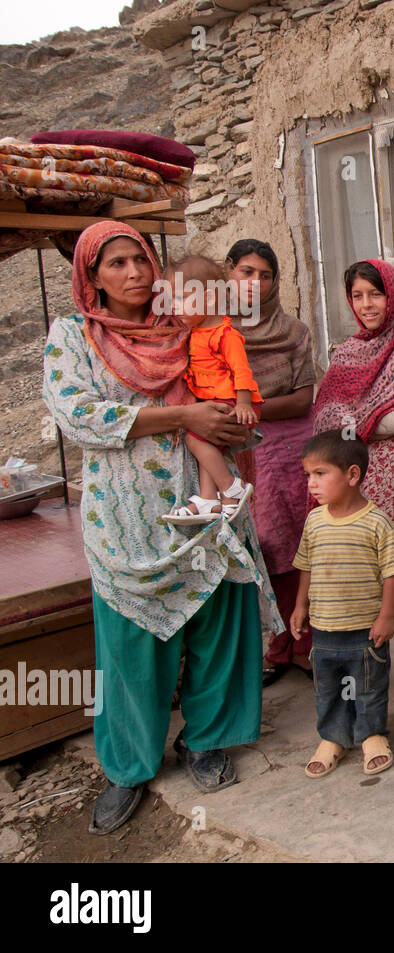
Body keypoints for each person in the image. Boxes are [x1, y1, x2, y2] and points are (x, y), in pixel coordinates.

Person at [42, 221, 280, 835]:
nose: (135, 273)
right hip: (126, 520)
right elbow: (82, 415)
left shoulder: (186, 324)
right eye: (116, 264)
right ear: (91, 277)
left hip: (206, 507)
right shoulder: (74, 337)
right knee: (130, 648)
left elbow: (231, 385)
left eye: (141, 259)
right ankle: (127, 766)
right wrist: (180, 414)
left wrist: (228, 423)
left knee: (218, 625)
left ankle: (206, 740)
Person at [312, 259, 394, 708]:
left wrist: (348, 418)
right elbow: (323, 417)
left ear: (393, 296)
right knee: (357, 583)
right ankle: (365, 671)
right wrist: (361, 418)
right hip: (354, 490)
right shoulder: (345, 355)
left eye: (376, 294)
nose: (367, 304)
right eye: (357, 296)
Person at [221, 239, 318, 687]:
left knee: (302, 545)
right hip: (239, 450)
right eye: (246, 271)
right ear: (228, 274)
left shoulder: (294, 332)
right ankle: (278, 645)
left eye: (265, 274)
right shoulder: (215, 332)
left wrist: (248, 409)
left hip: (291, 449)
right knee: (264, 547)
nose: (255, 282)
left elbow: (303, 398)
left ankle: (307, 645)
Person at [289, 430, 394, 777]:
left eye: (320, 473)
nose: (311, 483)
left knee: (369, 686)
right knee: (328, 689)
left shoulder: (376, 523)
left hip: (365, 631)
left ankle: (372, 735)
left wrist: (387, 617)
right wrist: (300, 606)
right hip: (325, 630)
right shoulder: (314, 521)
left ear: (352, 475)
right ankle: (333, 738)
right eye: (308, 475)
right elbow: (306, 566)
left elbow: (393, 573)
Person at [161, 255, 259, 524]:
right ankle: (209, 499)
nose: (174, 307)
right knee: (207, 443)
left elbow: (242, 370)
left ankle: (231, 488)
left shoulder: (226, 334)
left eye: (181, 298)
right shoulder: (195, 333)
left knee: (195, 439)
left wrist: (243, 403)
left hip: (230, 399)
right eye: (172, 300)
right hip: (212, 398)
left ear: (211, 298)